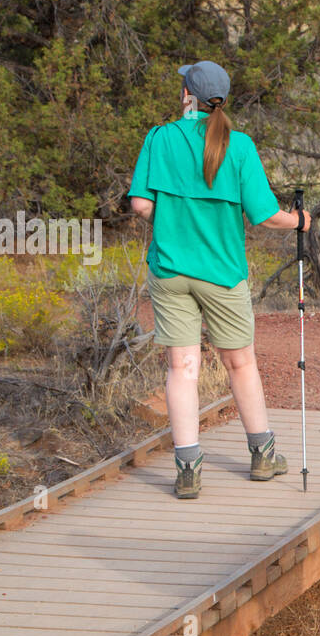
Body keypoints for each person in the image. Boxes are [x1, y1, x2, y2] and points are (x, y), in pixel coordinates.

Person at [127, 60, 310, 499]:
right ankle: (263, 456)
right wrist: (300, 221)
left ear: (186, 95)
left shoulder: (159, 138)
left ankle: (188, 469)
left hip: (170, 272)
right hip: (223, 274)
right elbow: (267, 217)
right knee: (240, 363)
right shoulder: (240, 147)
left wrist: (173, 220)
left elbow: (140, 205)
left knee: (182, 368)